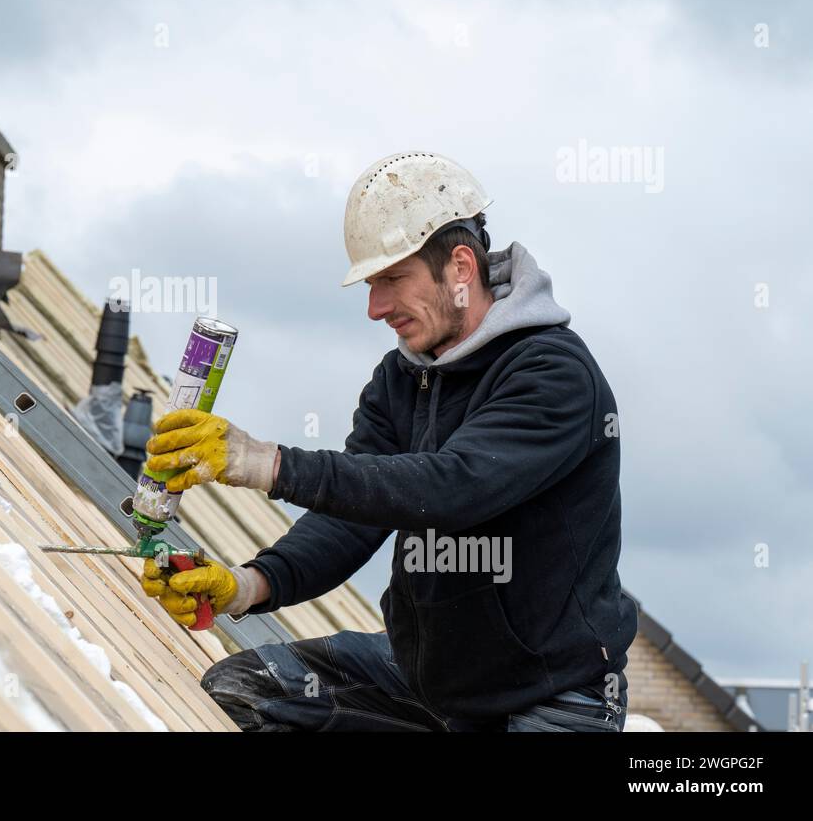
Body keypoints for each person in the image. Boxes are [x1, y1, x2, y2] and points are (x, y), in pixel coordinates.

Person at [140, 152, 638, 731]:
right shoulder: (402, 378)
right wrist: (247, 586)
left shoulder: (552, 374)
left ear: (459, 268)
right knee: (242, 691)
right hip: (425, 678)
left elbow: (451, 487)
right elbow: (356, 514)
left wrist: (265, 463)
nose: (375, 308)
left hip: (548, 699)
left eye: (391, 280)